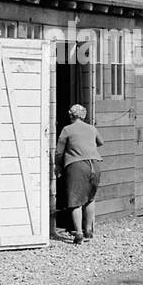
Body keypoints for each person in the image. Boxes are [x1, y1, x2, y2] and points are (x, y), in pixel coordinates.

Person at [56, 104, 102, 245]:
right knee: (90, 198)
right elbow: (100, 142)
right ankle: (88, 230)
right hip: (95, 163)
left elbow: (59, 152)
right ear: (84, 115)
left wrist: (58, 166)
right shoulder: (92, 128)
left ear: (71, 115)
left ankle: (79, 234)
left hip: (77, 165)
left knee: (75, 200)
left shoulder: (67, 129)